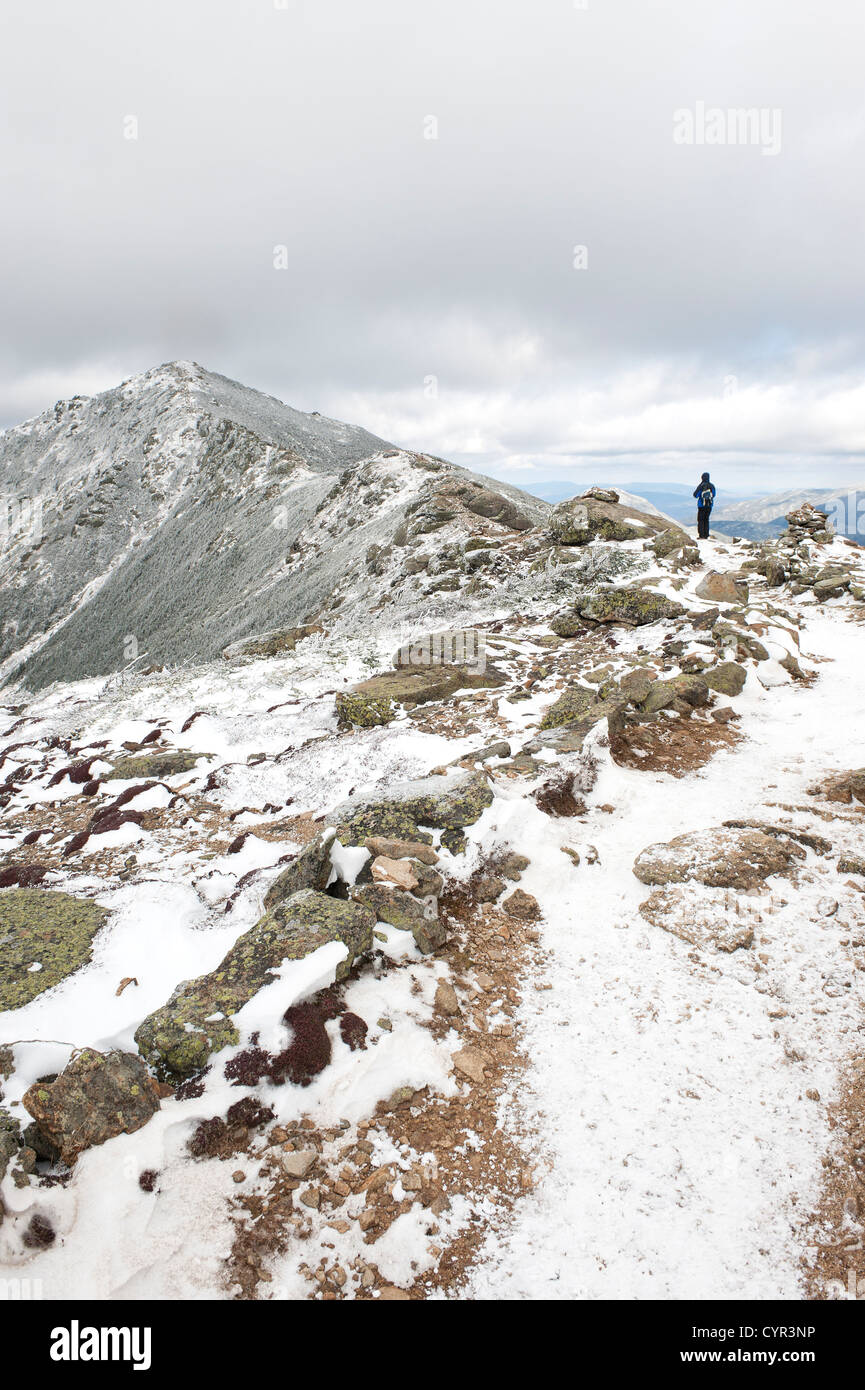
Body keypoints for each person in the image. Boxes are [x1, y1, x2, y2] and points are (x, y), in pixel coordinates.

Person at [693, 471, 716, 539]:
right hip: (709, 505)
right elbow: (714, 495)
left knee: (700, 520)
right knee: (706, 520)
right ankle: (706, 535)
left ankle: (701, 535)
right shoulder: (712, 486)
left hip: (701, 505)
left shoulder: (701, 485)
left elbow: (695, 495)